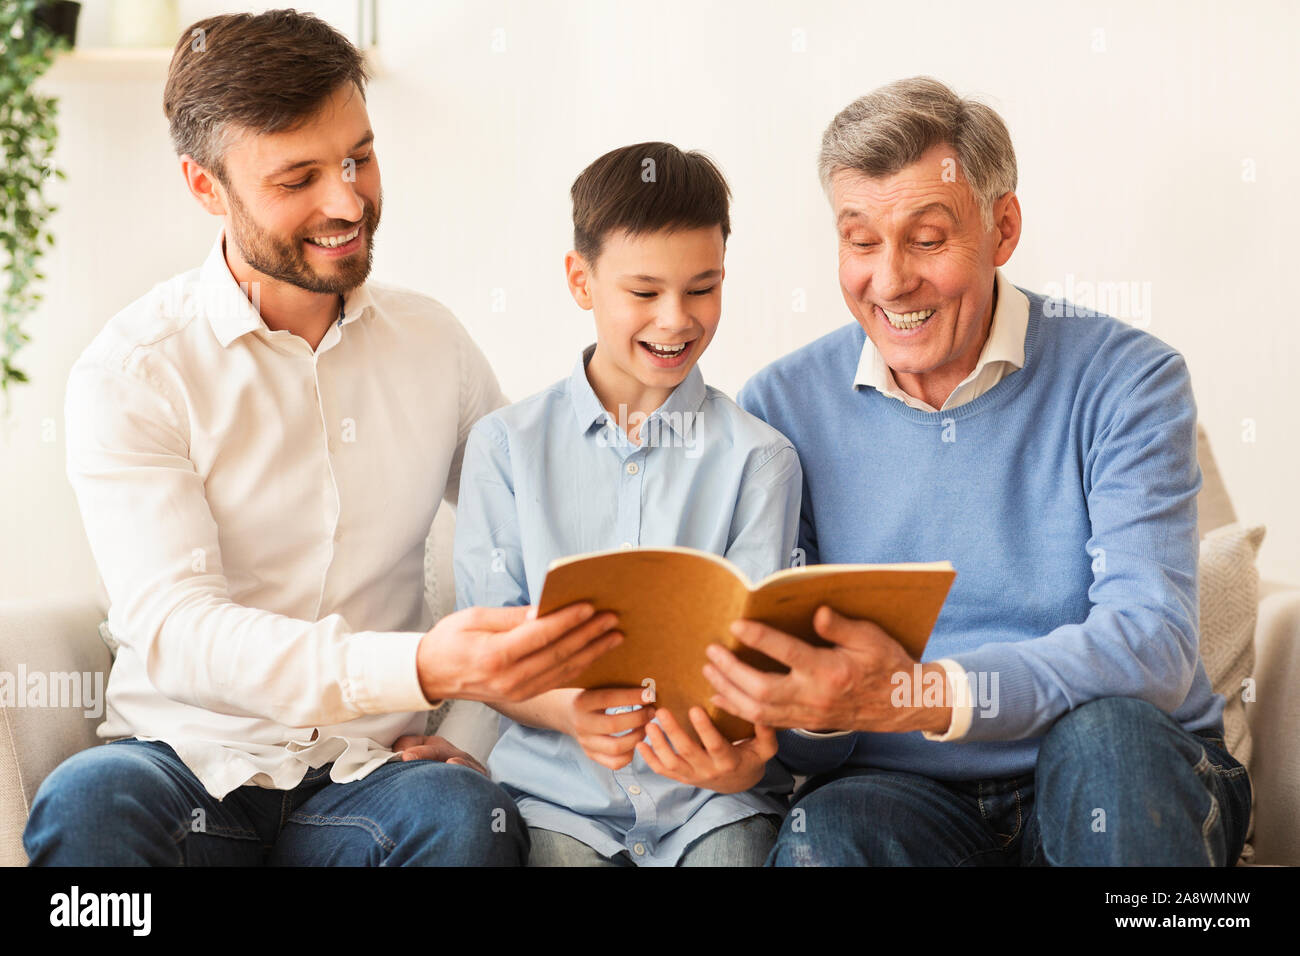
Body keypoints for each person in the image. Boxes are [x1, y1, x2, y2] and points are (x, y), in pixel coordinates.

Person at [23, 9, 618, 867]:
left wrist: (476, 726)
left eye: (358, 158)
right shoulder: (133, 371)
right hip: (183, 764)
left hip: (374, 773)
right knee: (87, 803)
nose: (347, 201)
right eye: (297, 177)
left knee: (463, 813)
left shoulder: (435, 346)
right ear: (205, 188)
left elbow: (538, 545)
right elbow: (179, 626)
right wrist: (418, 667)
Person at [706, 76, 1251, 866]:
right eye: (860, 241)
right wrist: (813, 711)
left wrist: (924, 692)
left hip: (1118, 767)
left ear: (1003, 228)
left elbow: (1152, 644)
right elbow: (805, 740)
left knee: (1108, 742)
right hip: (902, 790)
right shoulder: (781, 403)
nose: (890, 281)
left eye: (927, 239)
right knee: (829, 832)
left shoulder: (1128, 378)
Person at [453, 142, 801, 866]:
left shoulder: (760, 458)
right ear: (581, 280)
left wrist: (741, 758)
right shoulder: (505, 447)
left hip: (712, 802)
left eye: (702, 289)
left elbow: (753, 660)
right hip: (558, 800)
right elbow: (490, 654)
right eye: (643, 293)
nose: (676, 320)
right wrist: (569, 714)